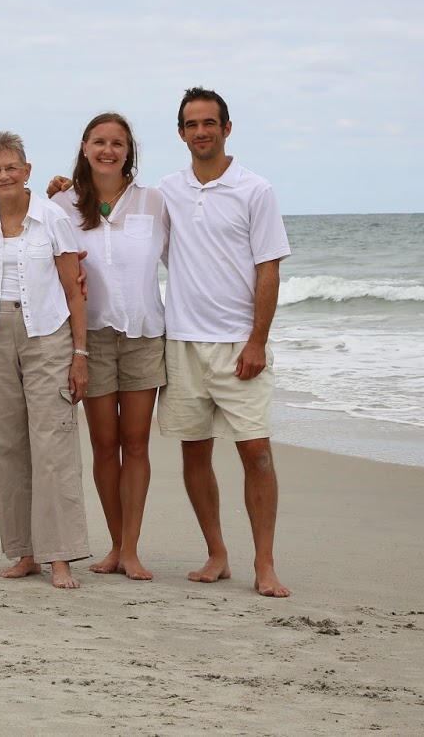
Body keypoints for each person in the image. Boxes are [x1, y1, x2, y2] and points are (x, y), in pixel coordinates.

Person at [156, 87, 292, 597]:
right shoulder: (166, 190)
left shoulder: (255, 189)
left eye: (209, 123)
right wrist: (61, 188)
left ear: (227, 128)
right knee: (194, 453)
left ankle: (265, 564)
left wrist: (257, 342)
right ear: (181, 133)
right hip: (183, 342)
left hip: (239, 345)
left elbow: (269, 268)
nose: (201, 132)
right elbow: (110, 210)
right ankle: (216, 553)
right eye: (191, 124)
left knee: (256, 453)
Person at [50, 113, 168, 580]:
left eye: (117, 143)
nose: (108, 150)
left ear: (128, 151)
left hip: (143, 334)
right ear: (84, 147)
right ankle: (114, 545)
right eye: (99, 141)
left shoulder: (154, 202)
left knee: (135, 444)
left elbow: (188, 257)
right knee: (103, 444)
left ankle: (132, 549)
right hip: (89, 339)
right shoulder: (62, 202)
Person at [0, 132, 91, 589]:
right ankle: (24, 552)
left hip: (48, 334)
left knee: (53, 445)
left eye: (11, 168)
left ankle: (60, 556)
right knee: (5, 446)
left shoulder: (52, 218)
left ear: (27, 171)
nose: (4, 176)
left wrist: (80, 354)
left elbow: (74, 289)